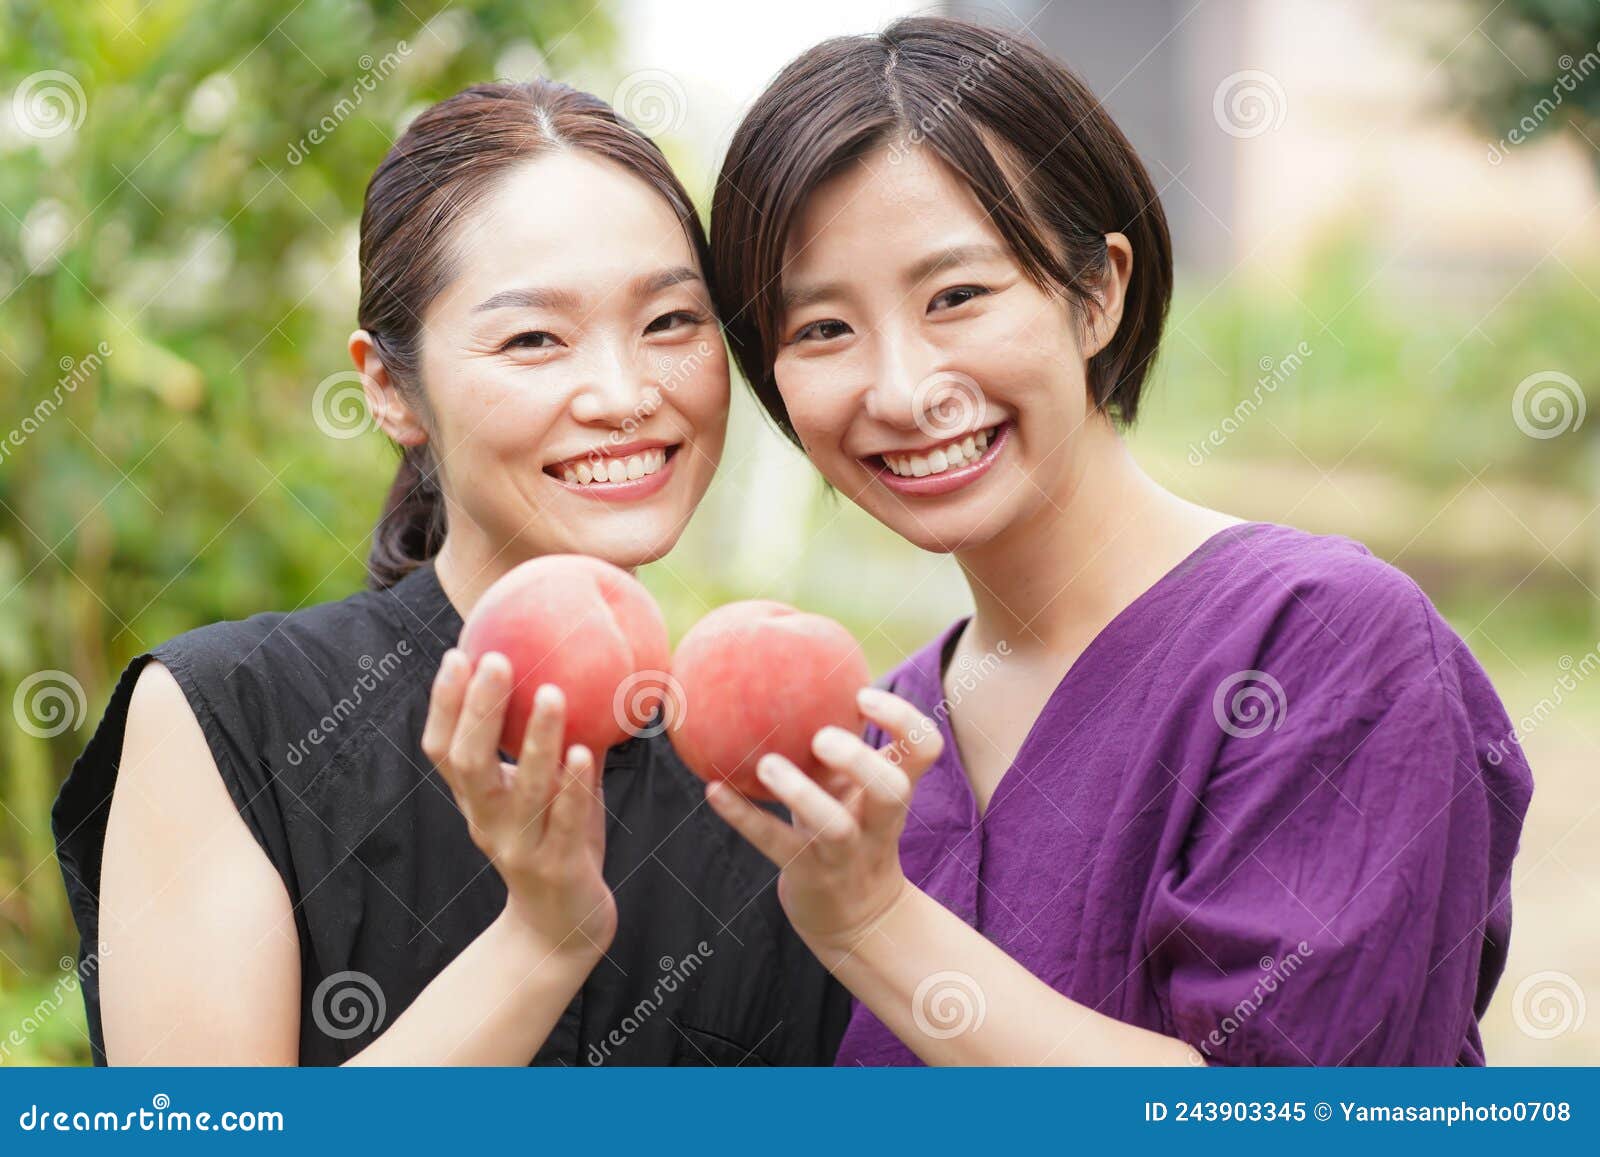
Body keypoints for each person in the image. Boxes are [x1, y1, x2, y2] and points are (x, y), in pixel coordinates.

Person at [703, 16, 1534, 1065]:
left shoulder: (1322, 644)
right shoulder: (880, 743)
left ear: (1096, 291)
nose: (903, 390)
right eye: (822, 327)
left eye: (956, 295)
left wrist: (877, 925)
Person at [52, 78, 849, 1066]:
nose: (623, 392)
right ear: (389, 388)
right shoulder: (235, 718)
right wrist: (536, 942)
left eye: (672, 321)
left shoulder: (772, 777)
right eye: (533, 338)